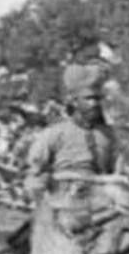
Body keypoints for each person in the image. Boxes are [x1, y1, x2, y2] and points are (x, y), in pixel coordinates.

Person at [23, 63, 121, 197]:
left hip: (101, 199)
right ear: (74, 101)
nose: (94, 103)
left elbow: (117, 171)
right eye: (88, 98)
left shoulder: (109, 135)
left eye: (97, 99)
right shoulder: (54, 133)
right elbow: (34, 172)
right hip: (62, 200)